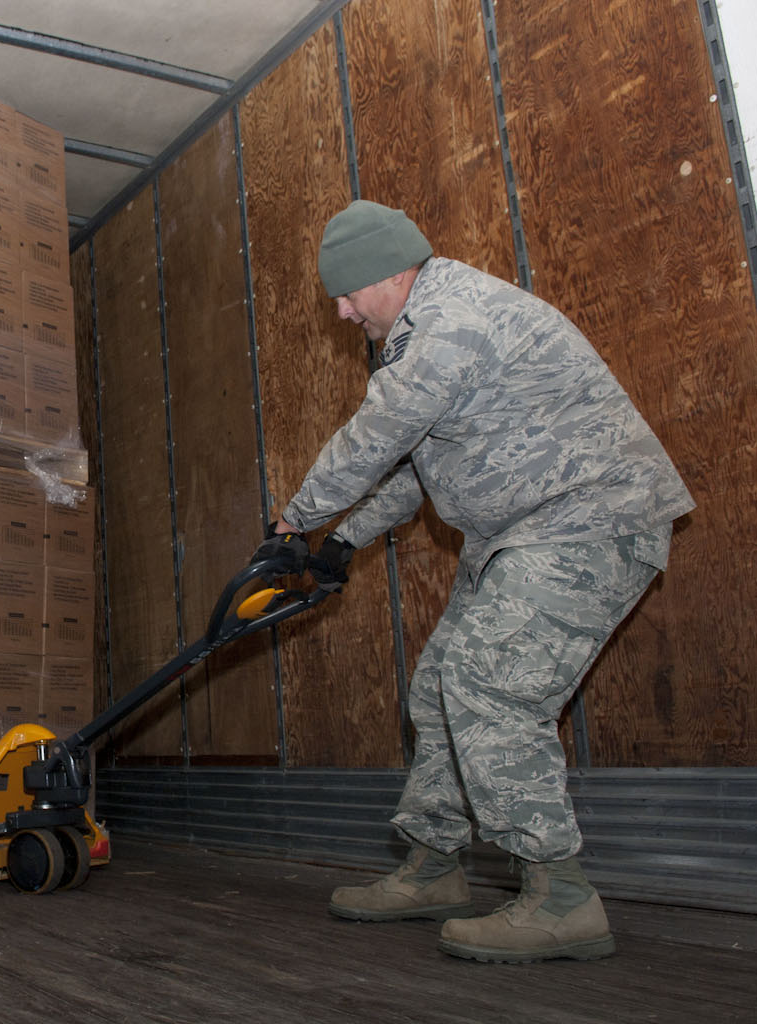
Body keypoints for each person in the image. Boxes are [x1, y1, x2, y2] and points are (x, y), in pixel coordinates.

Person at [255, 200, 694, 963]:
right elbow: (415, 468)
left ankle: (561, 897)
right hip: (518, 532)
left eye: (350, 291)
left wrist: (293, 525)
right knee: (439, 692)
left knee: (489, 686)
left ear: (395, 272)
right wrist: (343, 543)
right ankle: (435, 868)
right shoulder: (418, 333)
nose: (341, 307)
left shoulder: (450, 319)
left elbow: (375, 438)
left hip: (589, 518)